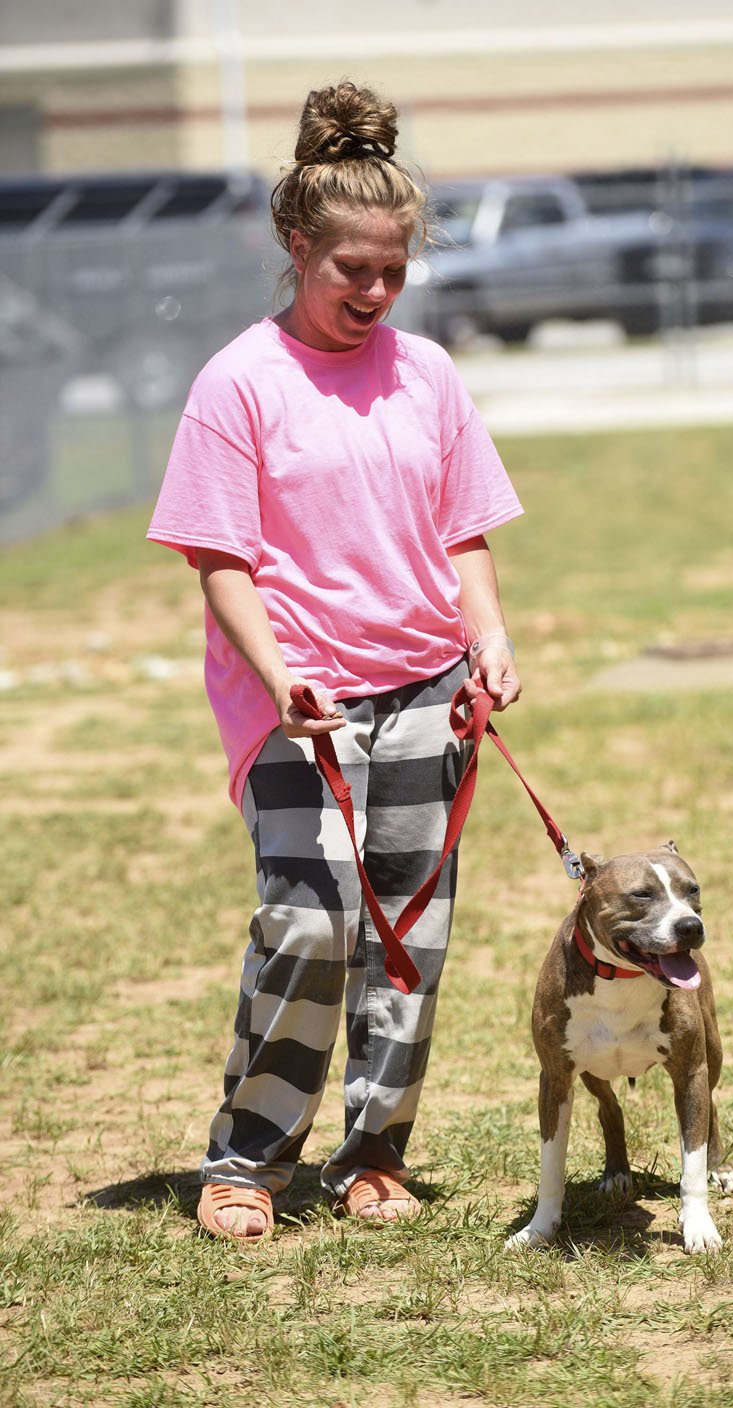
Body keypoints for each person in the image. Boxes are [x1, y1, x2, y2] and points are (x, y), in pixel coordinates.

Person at [147, 81, 523, 1240]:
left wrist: (489, 637)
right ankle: (246, 1158)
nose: (371, 291)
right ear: (295, 246)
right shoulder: (240, 382)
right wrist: (278, 678)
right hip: (296, 699)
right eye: (348, 268)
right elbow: (218, 557)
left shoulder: (428, 376)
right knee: (309, 924)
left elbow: (461, 529)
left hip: (426, 688)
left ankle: (372, 1150)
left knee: (407, 934)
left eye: (391, 271)